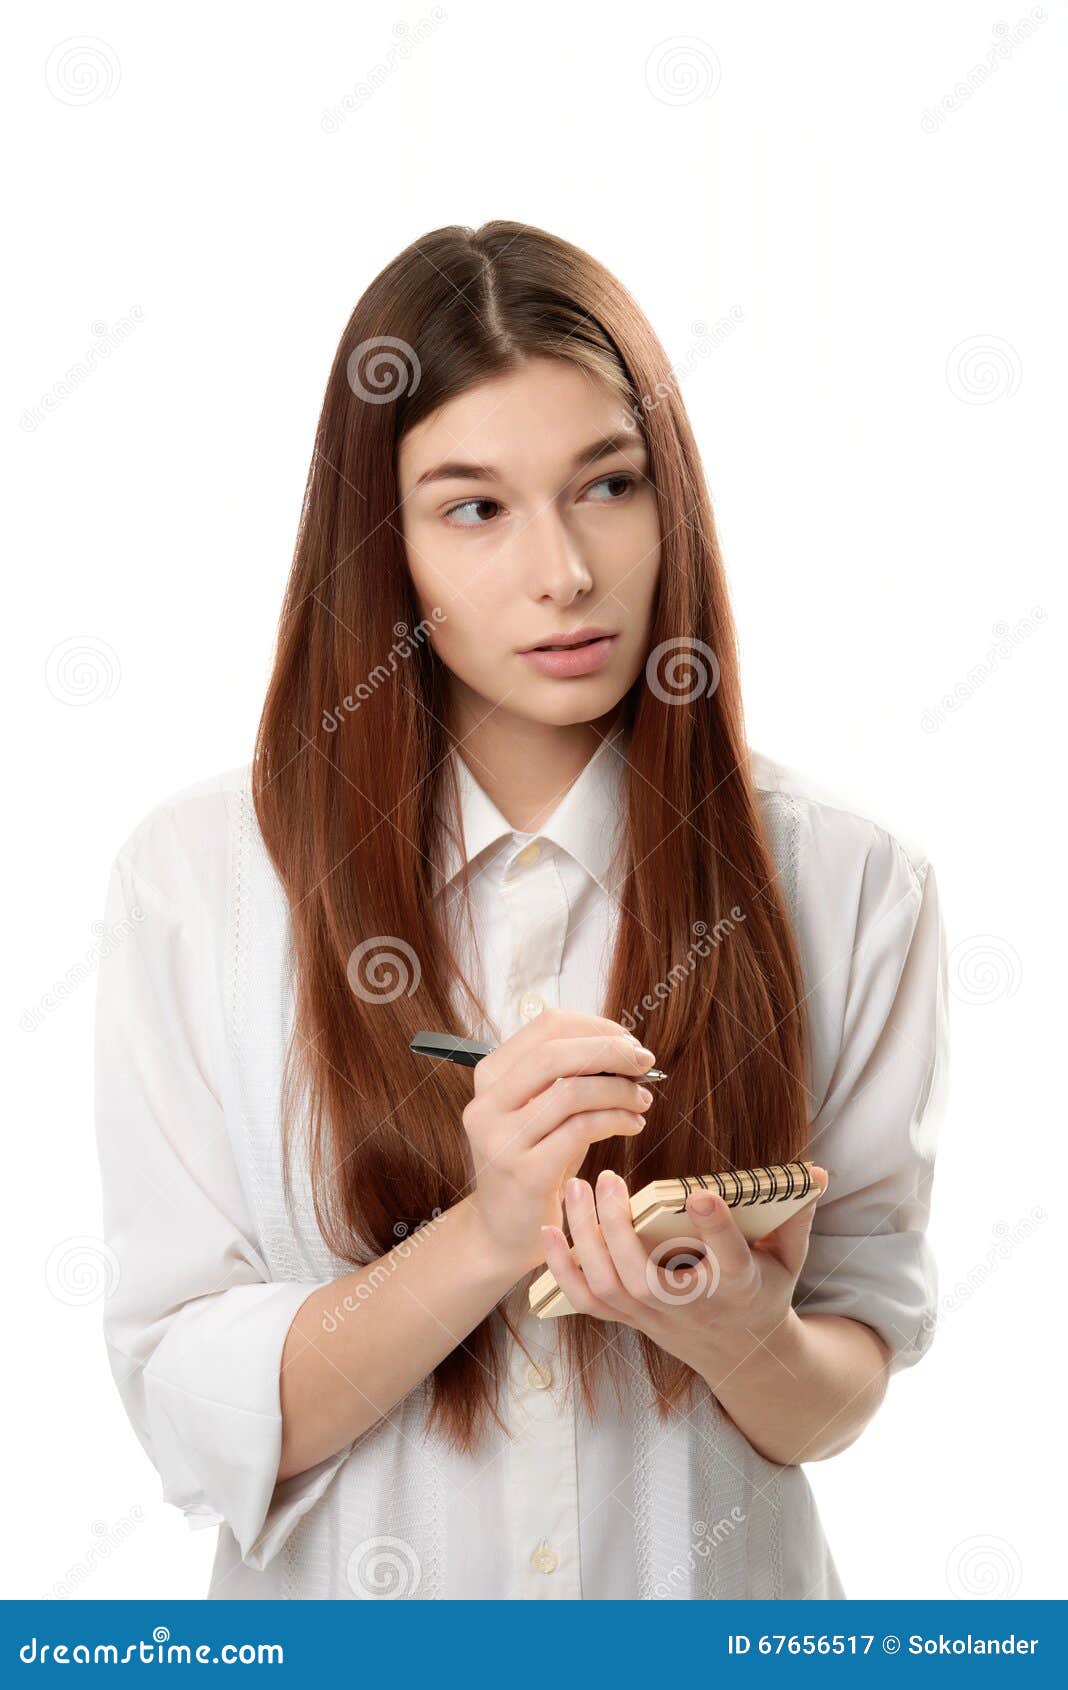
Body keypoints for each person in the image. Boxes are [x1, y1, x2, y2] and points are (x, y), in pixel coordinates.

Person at [93, 221, 949, 1600]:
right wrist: (489, 1230)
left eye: (607, 485)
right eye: (474, 507)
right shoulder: (204, 879)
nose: (563, 572)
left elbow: (840, 1388)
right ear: (385, 547)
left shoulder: (847, 880)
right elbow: (189, 1406)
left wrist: (739, 1330)